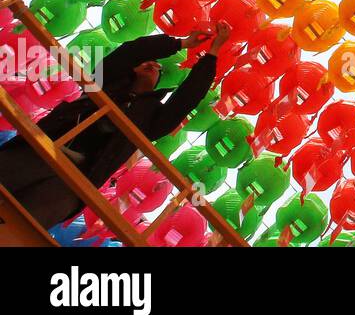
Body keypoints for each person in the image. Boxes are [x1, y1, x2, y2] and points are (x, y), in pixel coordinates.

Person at [0, 23, 231, 229]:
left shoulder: (152, 119)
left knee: (20, 226)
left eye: (157, 67)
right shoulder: (103, 80)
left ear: (159, 82)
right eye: (146, 62)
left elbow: (187, 99)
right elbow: (131, 51)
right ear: (132, 68)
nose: (151, 64)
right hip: (40, 148)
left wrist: (213, 53)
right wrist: (181, 43)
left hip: (77, 182)